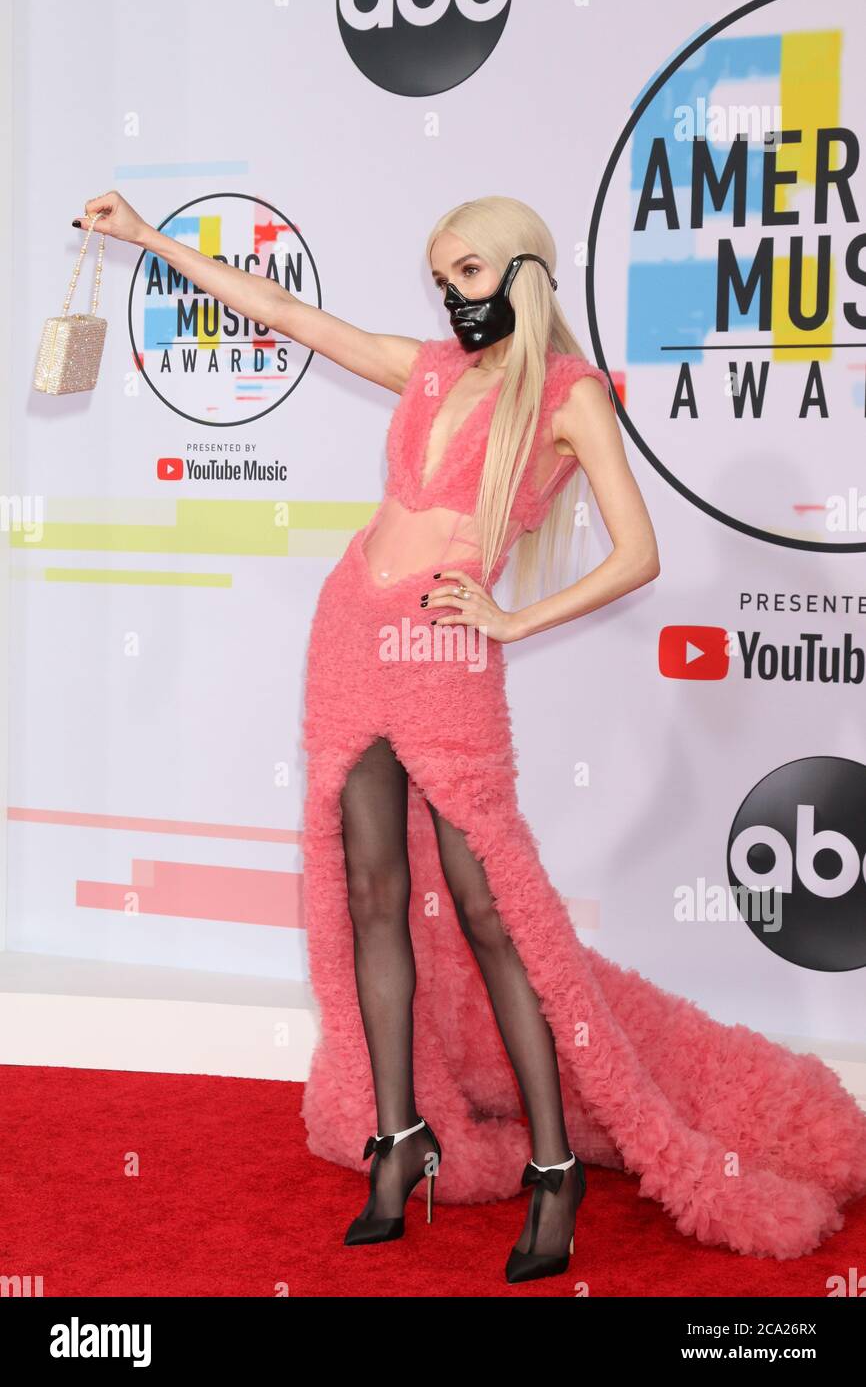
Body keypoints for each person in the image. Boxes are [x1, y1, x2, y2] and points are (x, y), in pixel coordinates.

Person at [76, 191, 866, 1284]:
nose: (452, 296)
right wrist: (146, 239)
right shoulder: (431, 369)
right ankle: (399, 1138)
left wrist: (509, 618)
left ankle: (554, 1167)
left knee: (494, 909)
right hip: (351, 627)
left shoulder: (568, 395)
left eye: (468, 274)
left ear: (521, 273)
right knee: (370, 891)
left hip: (446, 657)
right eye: (440, 279)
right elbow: (285, 312)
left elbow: (636, 552)